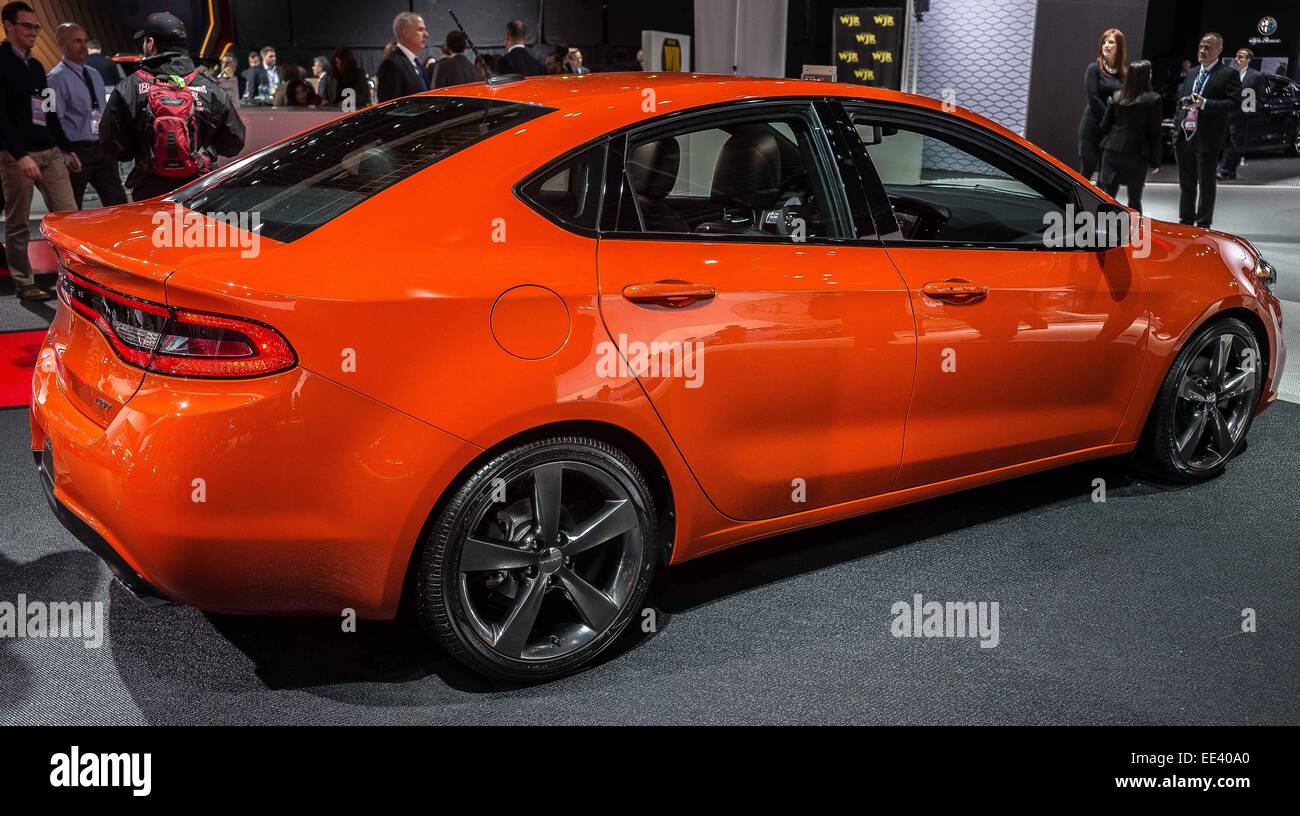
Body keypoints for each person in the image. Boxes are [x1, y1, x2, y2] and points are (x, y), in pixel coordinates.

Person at [98, 12, 245, 201]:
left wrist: (145, 150)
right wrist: (203, 153)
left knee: (154, 231)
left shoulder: (129, 88)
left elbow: (111, 144)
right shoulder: (210, 88)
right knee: (196, 231)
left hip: (150, 190)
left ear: (150, 43)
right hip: (200, 188)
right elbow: (235, 141)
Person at [0, 1, 79, 302]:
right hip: (16, 156)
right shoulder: (1, 61)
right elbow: (1, 118)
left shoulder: (35, 66)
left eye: (36, 26)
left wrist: (66, 148)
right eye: (27, 26)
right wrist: (20, 155)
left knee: (69, 218)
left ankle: (75, 278)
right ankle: (24, 282)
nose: (34, 31)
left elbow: (48, 111)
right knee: (18, 222)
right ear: (9, 26)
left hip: (49, 152)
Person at [47, 22, 127, 210]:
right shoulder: (55, 79)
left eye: (84, 41)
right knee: (71, 211)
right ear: (62, 44)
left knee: (119, 206)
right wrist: (63, 154)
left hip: (101, 149)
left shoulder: (94, 75)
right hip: (76, 152)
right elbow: (52, 120)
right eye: (77, 41)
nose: (83, 46)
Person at [1173, 32, 1241, 228]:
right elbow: (1181, 103)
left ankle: (1203, 225)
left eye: (1208, 47)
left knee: (1206, 184)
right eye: (1201, 46)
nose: (1203, 51)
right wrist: (1176, 130)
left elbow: (1234, 104)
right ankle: (1185, 222)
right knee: (1186, 184)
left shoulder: (1228, 74)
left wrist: (1205, 104)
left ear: (1219, 50)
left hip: (1208, 138)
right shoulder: (1192, 73)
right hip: (1185, 135)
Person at [1097, 60, 1161, 212]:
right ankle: (1135, 233)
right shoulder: (1153, 99)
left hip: (1112, 151)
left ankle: (1100, 232)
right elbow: (1155, 133)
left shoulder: (1117, 96)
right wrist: (1155, 161)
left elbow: (1104, 125)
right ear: (1145, 76)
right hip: (1136, 155)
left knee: (1108, 198)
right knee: (1134, 199)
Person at [1078, 28, 1126, 181]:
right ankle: (1069, 206)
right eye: (1104, 42)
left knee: (1106, 175)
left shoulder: (1123, 74)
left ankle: (1098, 206)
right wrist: (1109, 119)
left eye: (1111, 42)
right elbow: (1093, 99)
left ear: (1119, 47)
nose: (1106, 45)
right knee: (1087, 170)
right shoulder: (1094, 69)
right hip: (1092, 128)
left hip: (1110, 132)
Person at [1218, 48, 1262, 180]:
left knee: (1234, 143)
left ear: (1248, 60)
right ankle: (1230, 171)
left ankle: (1224, 170)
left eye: (1241, 57)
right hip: (1226, 114)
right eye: (1236, 56)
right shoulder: (1229, 74)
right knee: (1228, 143)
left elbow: (1259, 97)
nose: (1237, 59)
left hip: (1242, 116)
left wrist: (1249, 112)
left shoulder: (1256, 76)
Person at [376, 11, 428, 102]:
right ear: (406, 32)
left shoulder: (416, 62)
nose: (426, 35)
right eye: (420, 29)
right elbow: (389, 107)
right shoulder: (391, 64)